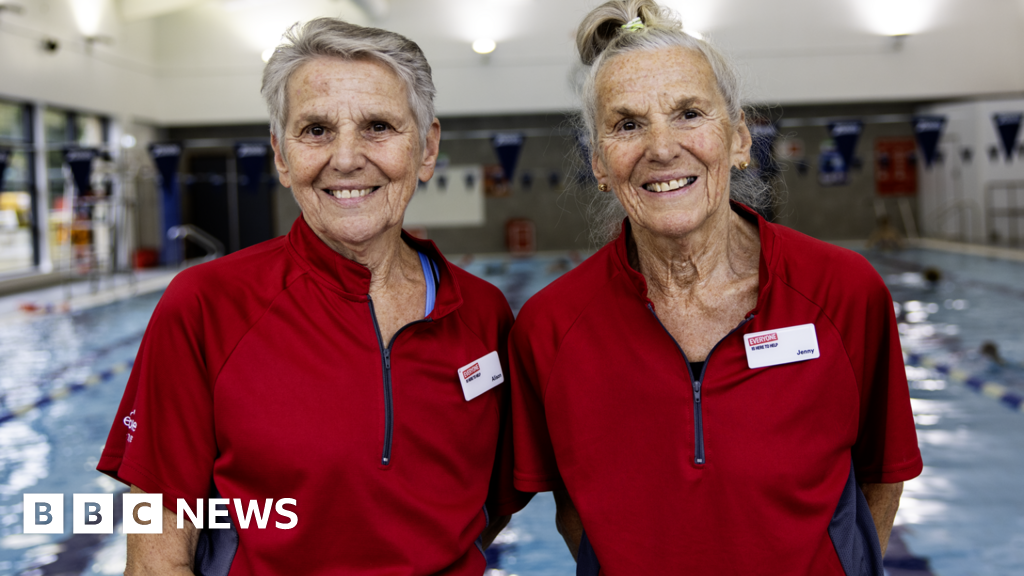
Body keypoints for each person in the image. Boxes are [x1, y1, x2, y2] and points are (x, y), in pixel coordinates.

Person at [98, 18, 527, 575]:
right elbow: (157, 546)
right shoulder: (206, 306)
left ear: (427, 149)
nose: (346, 159)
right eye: (317, 130)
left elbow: (480, 512)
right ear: (281, 154)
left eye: (377, 126)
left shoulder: (482, 312)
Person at [509, 1, 923, 574]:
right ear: (600, 162)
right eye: (628, 124)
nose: (661, 148)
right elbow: (574, 512)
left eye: (688, 114)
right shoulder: (549, 326)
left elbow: (883, 474)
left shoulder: (844, 292)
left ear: (738, 139)